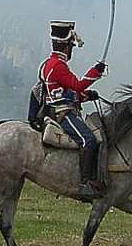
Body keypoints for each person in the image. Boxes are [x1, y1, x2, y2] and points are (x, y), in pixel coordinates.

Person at [28, 21, 107, 198]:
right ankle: (84, 183)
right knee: (89, 140)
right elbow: (76, 85)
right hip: (61, 113)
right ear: (65, 46)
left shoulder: (49, 63)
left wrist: (86, 96)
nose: (72, 49)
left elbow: (64, 92)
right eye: (71, 45)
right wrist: (96, 71)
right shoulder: (58, 66)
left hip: (59, 106)